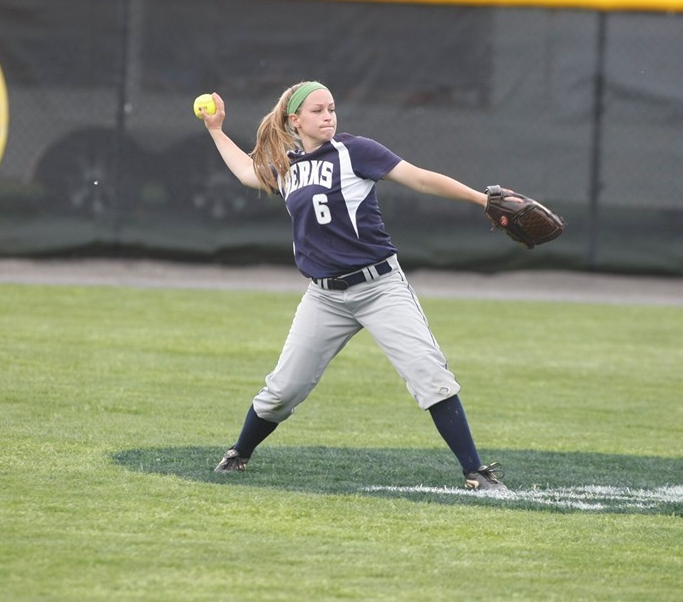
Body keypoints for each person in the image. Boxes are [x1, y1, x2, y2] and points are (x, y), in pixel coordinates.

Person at [197, 81, 506, 492]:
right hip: (324, 297)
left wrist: (481, 200)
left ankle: (475, 471)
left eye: (332, 108)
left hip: (380, 287)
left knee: (428, 373)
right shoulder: (287, 166)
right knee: (283, 389)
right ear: (295, 120)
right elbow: (247, 173)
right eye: (318, 110)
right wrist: (216, 130)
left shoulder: (355, 150)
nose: (328, 116)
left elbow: (420, 179)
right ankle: (239, 453)